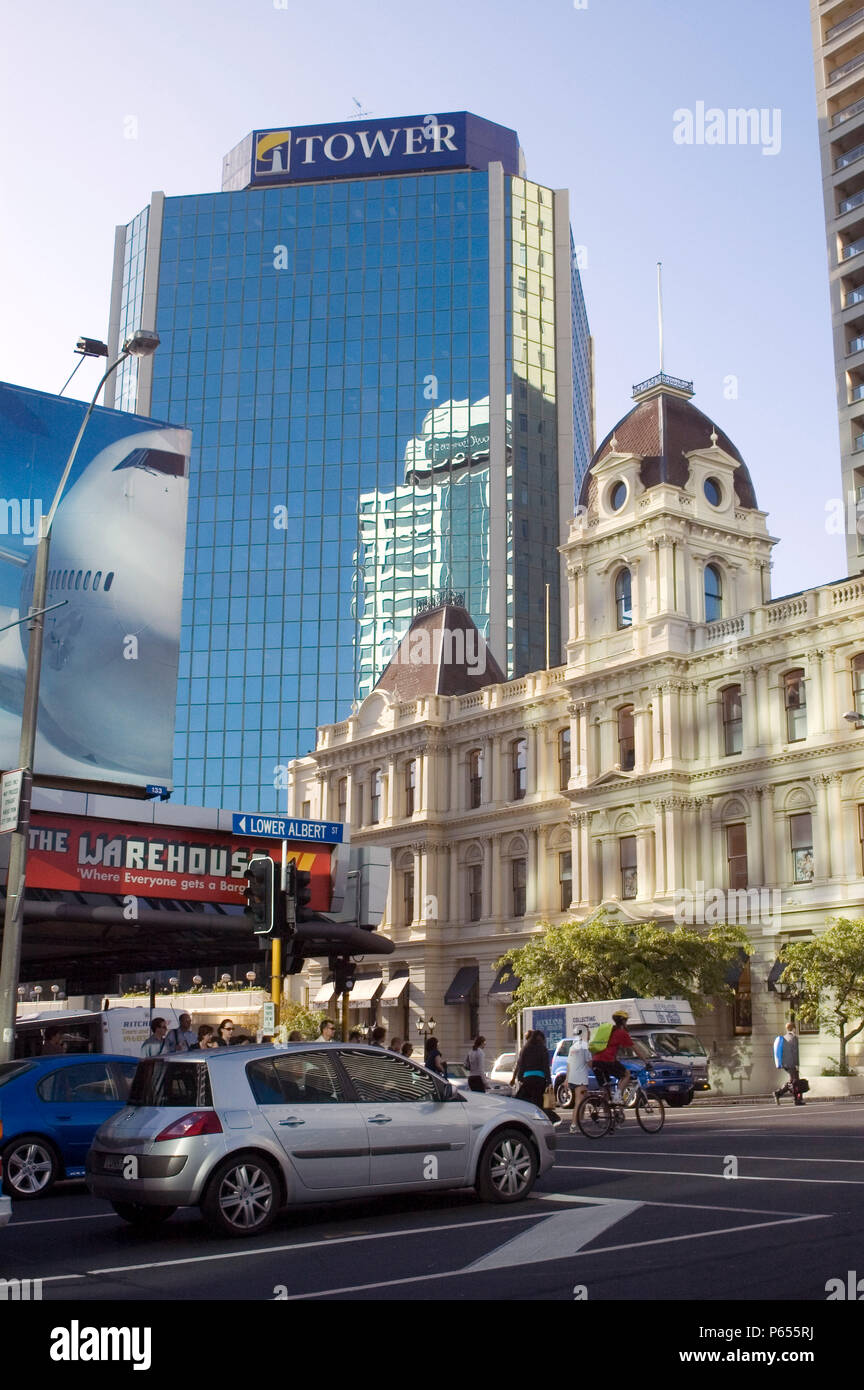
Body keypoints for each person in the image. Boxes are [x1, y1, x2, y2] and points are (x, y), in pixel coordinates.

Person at [591, 1010, 650, 1098]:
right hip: (607, 1061)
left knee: (605, 1088)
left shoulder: (609, 1031)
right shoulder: (622, 1033)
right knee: (626, 1074)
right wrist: (646, 1062)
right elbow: (636, 1049)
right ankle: (618, 1097)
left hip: (596, 1061)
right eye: (626, 1021)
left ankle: (607, 1108)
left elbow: (611, 1047)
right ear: (623, 1021)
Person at [513, 1029, 555, 1118]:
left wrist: (519, 1077)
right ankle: (540, 1119)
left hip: (527, 1078)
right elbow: (545, 1067)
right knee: (538, 1102)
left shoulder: (526, 1048)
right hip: (540, 1079)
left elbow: (521, 1064)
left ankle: (526, 1118)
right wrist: (549, 1081)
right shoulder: (543, 1049)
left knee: (525, 1101)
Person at [566, 1027, 592, 1132]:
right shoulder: (584, 1046)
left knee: (584, 1099)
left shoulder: (573, 1046)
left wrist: (566, 1079)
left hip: (573, 1077)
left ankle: (580, 1122)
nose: (590, 1033)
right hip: (580, 1078)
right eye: (588, 1032)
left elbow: (568, 1064)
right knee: (579, 1102)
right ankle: (573, 1125)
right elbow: (590, 1062)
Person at [773, 1022, 805, 1106]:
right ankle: (795, 1099)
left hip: (785, 1063)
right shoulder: (794, 1038)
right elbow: (795, 1052)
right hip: (792, 1063)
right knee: (795, 1081)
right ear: (794, 1028)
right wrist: (797, 1064)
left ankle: (780, 1093)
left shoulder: (783, 1038)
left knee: (793, 1080)